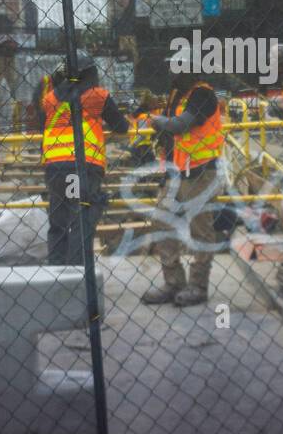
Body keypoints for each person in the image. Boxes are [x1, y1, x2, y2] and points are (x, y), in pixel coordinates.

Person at [141, 52, 224, 306]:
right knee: (161, 223)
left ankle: (198, 287)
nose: (173, 73)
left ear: (190, 70)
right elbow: (171, 137)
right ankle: (173, 282)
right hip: (177, 174)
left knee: (200, 231)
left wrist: (158, 121)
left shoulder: (203, 94)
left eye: (178, 68)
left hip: (201, 173)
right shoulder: (179, 94)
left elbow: (179, 126)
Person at [34, 51, 128, 268]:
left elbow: (43, 124)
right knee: (80, 219)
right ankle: (78, 273)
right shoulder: (96, 96)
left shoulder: (50, 99)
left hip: (55, 167)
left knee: (58, 221)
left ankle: (56, 269)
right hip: (81, 167)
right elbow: (120, 126)